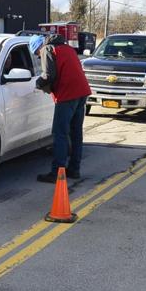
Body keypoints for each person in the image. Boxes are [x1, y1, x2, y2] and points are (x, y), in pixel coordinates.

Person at [31, 34, 92, 182]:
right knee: (76, 133)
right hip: (82, 92)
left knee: (60, 134)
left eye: (37, 54)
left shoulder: (47, 49)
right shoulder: (67, 48)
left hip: (67, 95)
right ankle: (74, 169)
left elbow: (49, 75)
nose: (39, 57)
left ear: (38, 48)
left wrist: (37, 84)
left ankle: (57, 172)